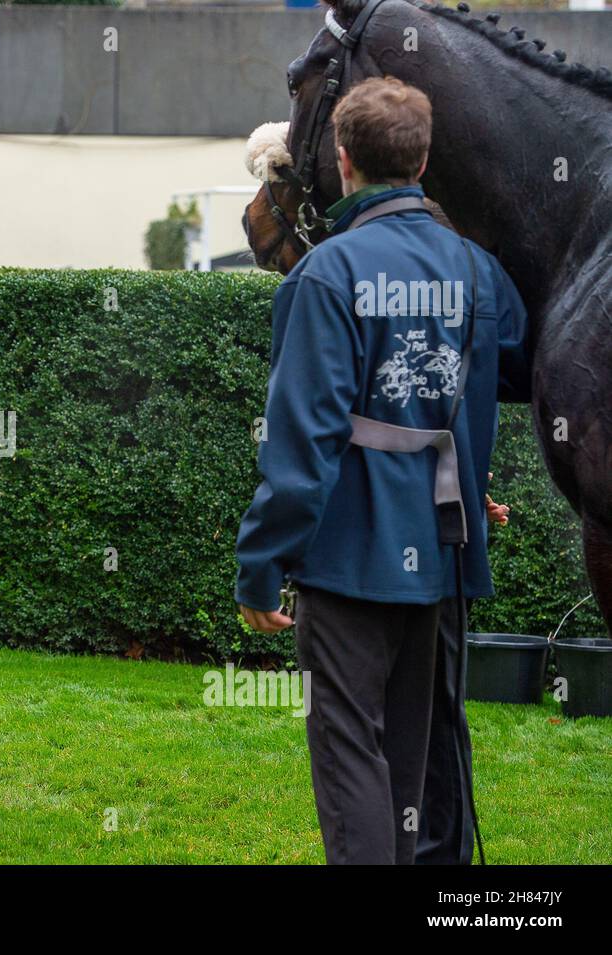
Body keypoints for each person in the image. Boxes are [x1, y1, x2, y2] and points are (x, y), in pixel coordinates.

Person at [233, 77, 530, 864]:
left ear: (341, 159)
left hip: (349, 557)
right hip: (441, 554)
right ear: (425, 158)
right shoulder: (477, 271)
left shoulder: (325, 275)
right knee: (417, 760)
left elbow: (302, 445)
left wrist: (260, 568)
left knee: (350, 755)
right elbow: (505, 378)